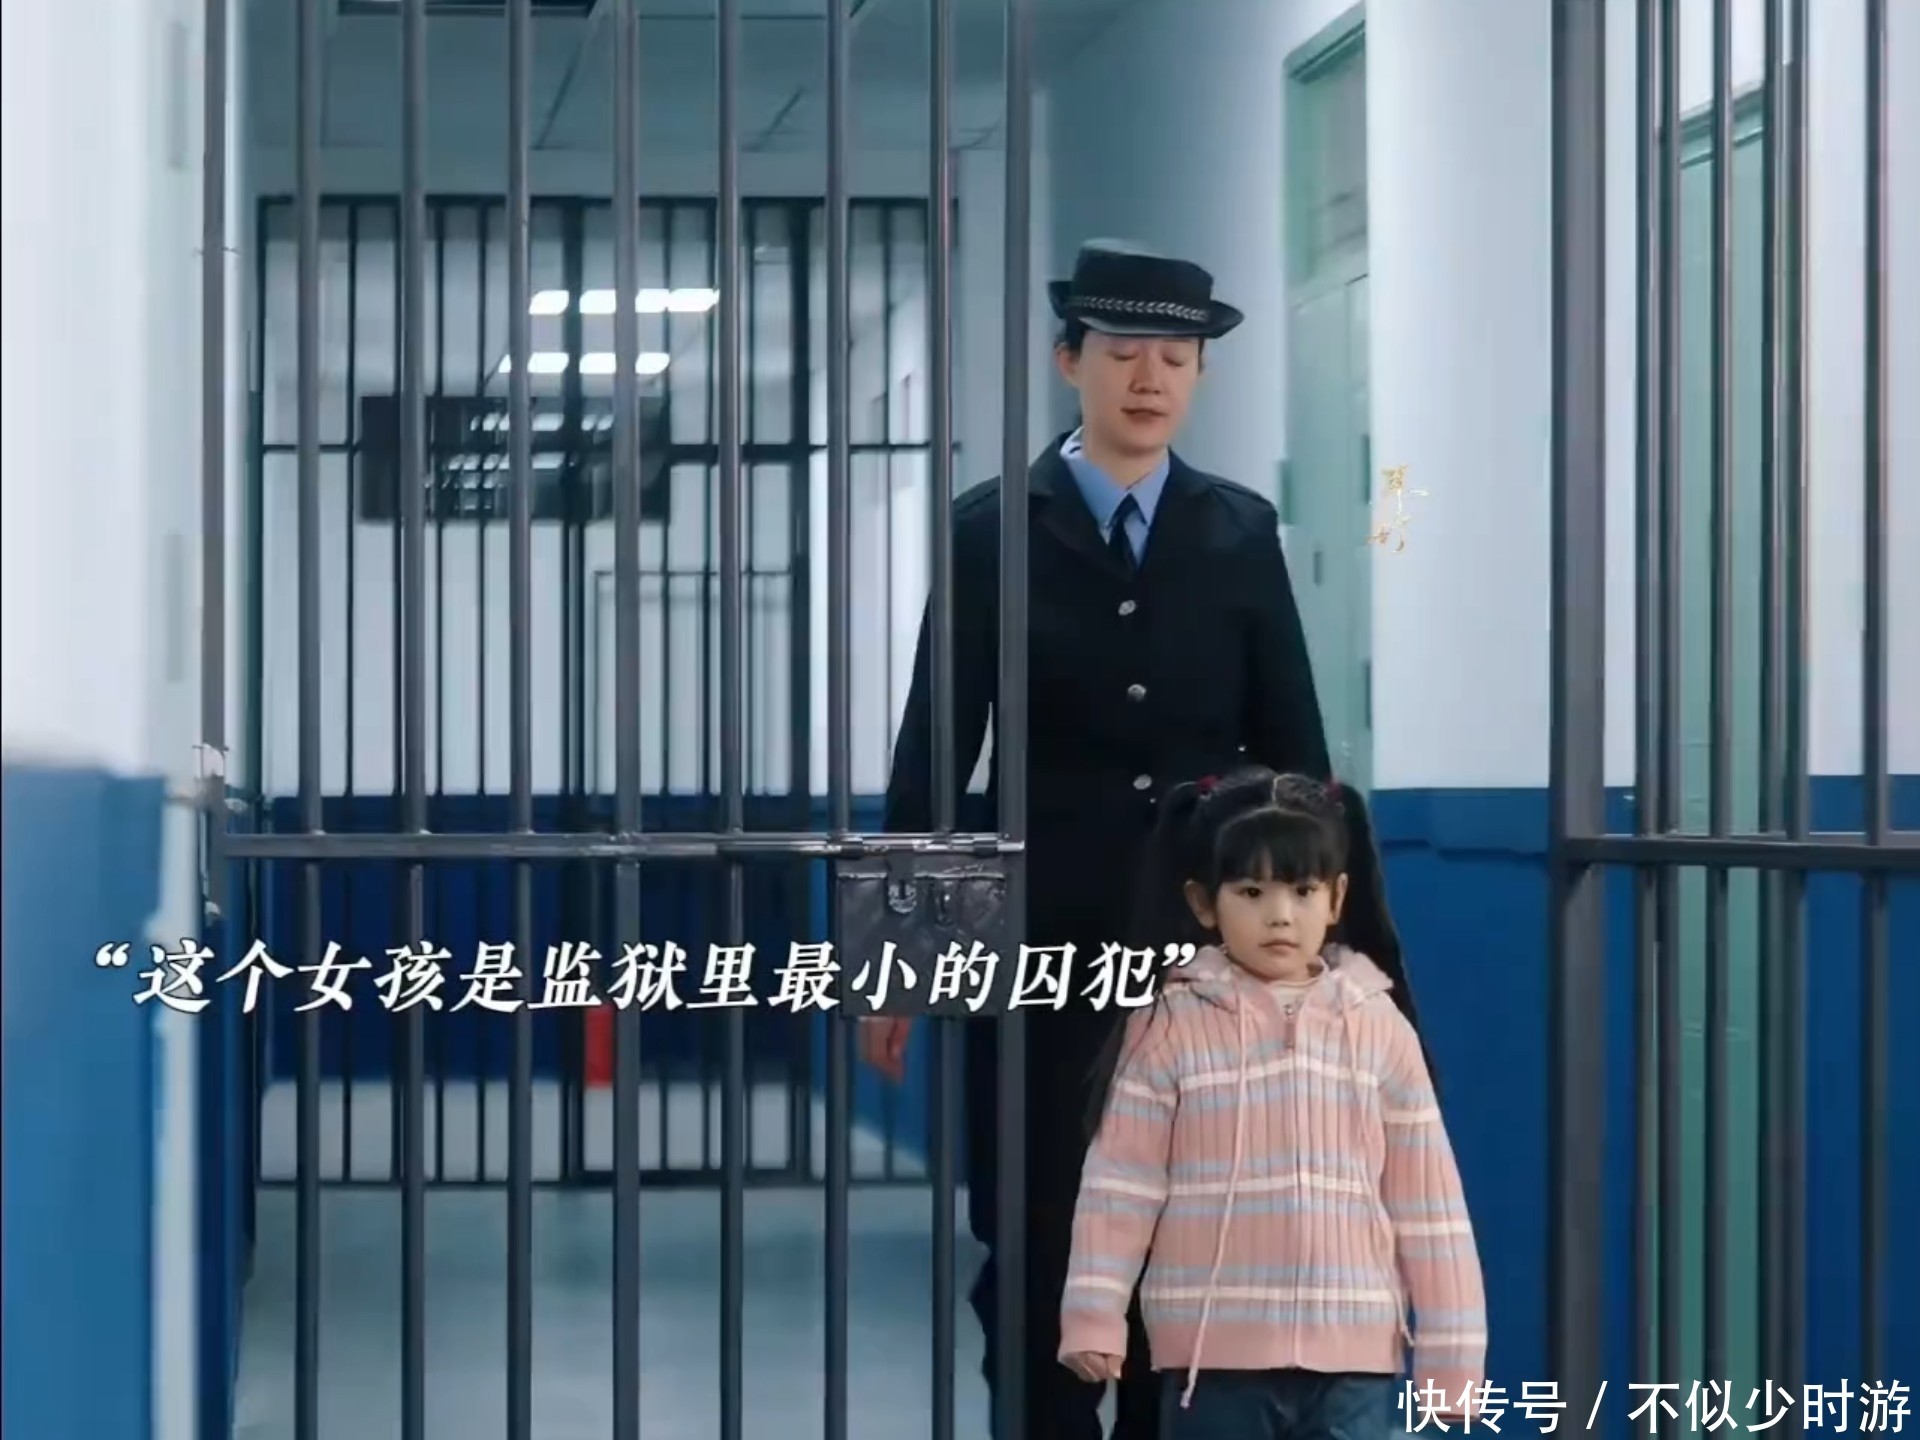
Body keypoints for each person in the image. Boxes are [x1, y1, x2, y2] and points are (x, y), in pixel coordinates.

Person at [864, 240, 1334, 1440]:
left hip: (1202, 952)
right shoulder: (991, 531)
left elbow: (1296, 754)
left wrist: (1321, 947)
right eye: (1123, 352)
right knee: (1039, 1233)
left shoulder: (1238, 532)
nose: (1149, 377)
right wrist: (900, 966)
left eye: (1175, 356)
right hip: (1039, 947)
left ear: (1199, 375)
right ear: (1069, 361)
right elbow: (936, 750)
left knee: (1192, 1237)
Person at [1059, 768, 1484, 1439]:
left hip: (1355, 1366)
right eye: (1251, 892)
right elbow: (1120, 1186)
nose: (1280, 914)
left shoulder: (1379, 1027)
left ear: (1336, 897)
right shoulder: (1169, 1025)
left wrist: (1452, 1358)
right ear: (1204, 903)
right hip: (1213, 1363)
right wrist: (1094, 1315)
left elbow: (1430, 1207)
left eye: (1302, 890)